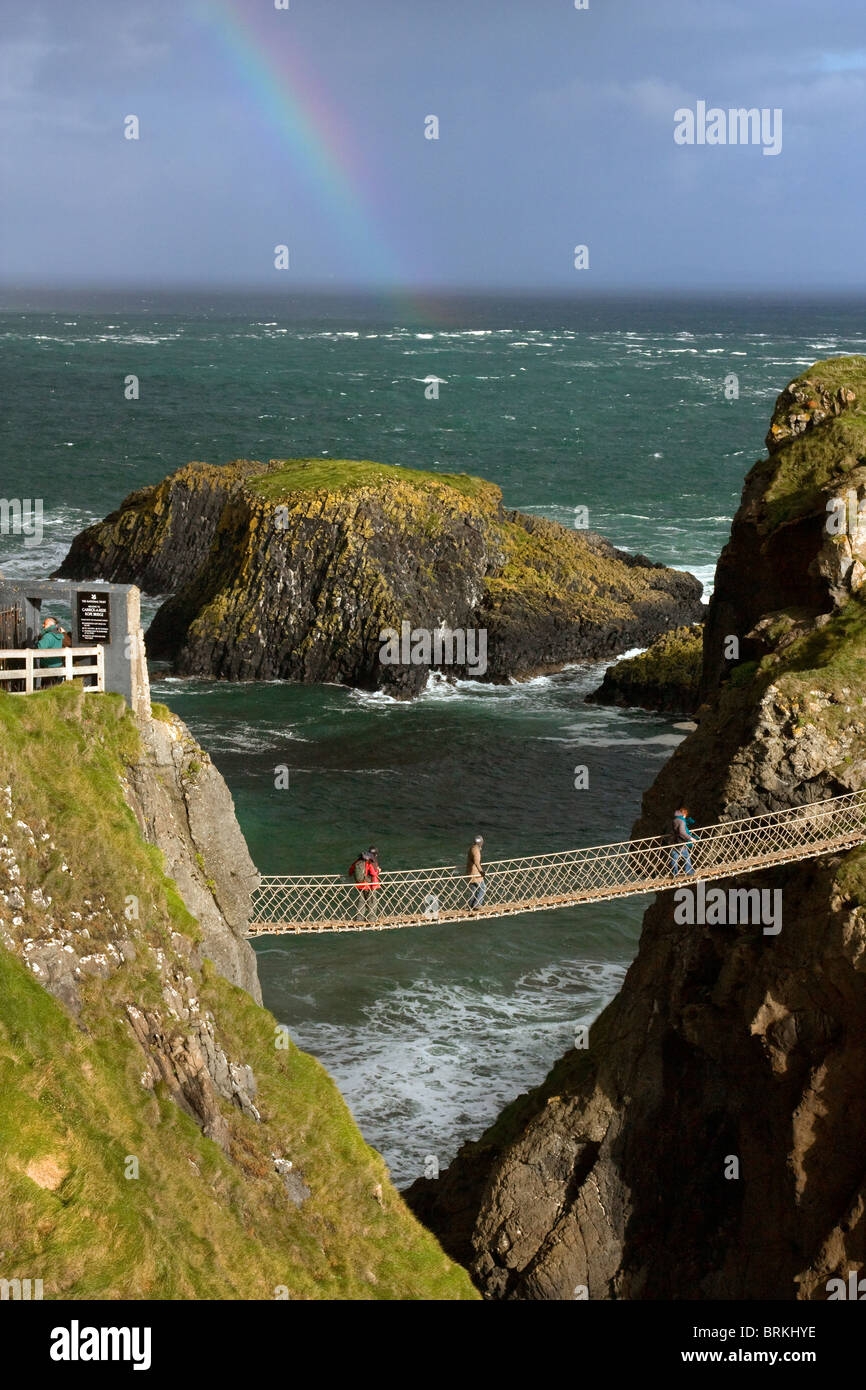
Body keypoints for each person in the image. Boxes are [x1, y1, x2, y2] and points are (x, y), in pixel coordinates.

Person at [348, 849, 380, 922]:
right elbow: (374, 873)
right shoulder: (371, 862)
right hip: (370, 886)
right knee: (372, 903)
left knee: (361, 903)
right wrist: (378, 870)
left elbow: (350, 871)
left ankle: (358, 919)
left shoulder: (358, 861)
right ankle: (372, 920)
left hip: (360, 885)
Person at [36, 616, 66, 688]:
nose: (43, 625)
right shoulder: (60, 635)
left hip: (48, 666)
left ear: (50, 625)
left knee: (47, 689)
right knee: (57, 688)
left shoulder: (47, 636)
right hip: (58, 664)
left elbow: (39, 649)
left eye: (45, 624)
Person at [671, 806, 696, 876]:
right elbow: (682, 832)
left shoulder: (674, 820)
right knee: (686, 856)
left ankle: (674, 873)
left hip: (674, 841)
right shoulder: (681, 821)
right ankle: (689, 871)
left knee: (674, 857)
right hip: (681, 841)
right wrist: (691, 838)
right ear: (684, 814)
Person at [466, 834, 486, 909]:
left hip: (469, 873)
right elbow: (476, 862)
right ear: (481, 843)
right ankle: (476, 905)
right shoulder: (476, 851)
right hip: (475, 874)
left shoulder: (472, 848)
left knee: (474, 890)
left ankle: (471, 906)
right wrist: (481, 872)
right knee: (483, 888)